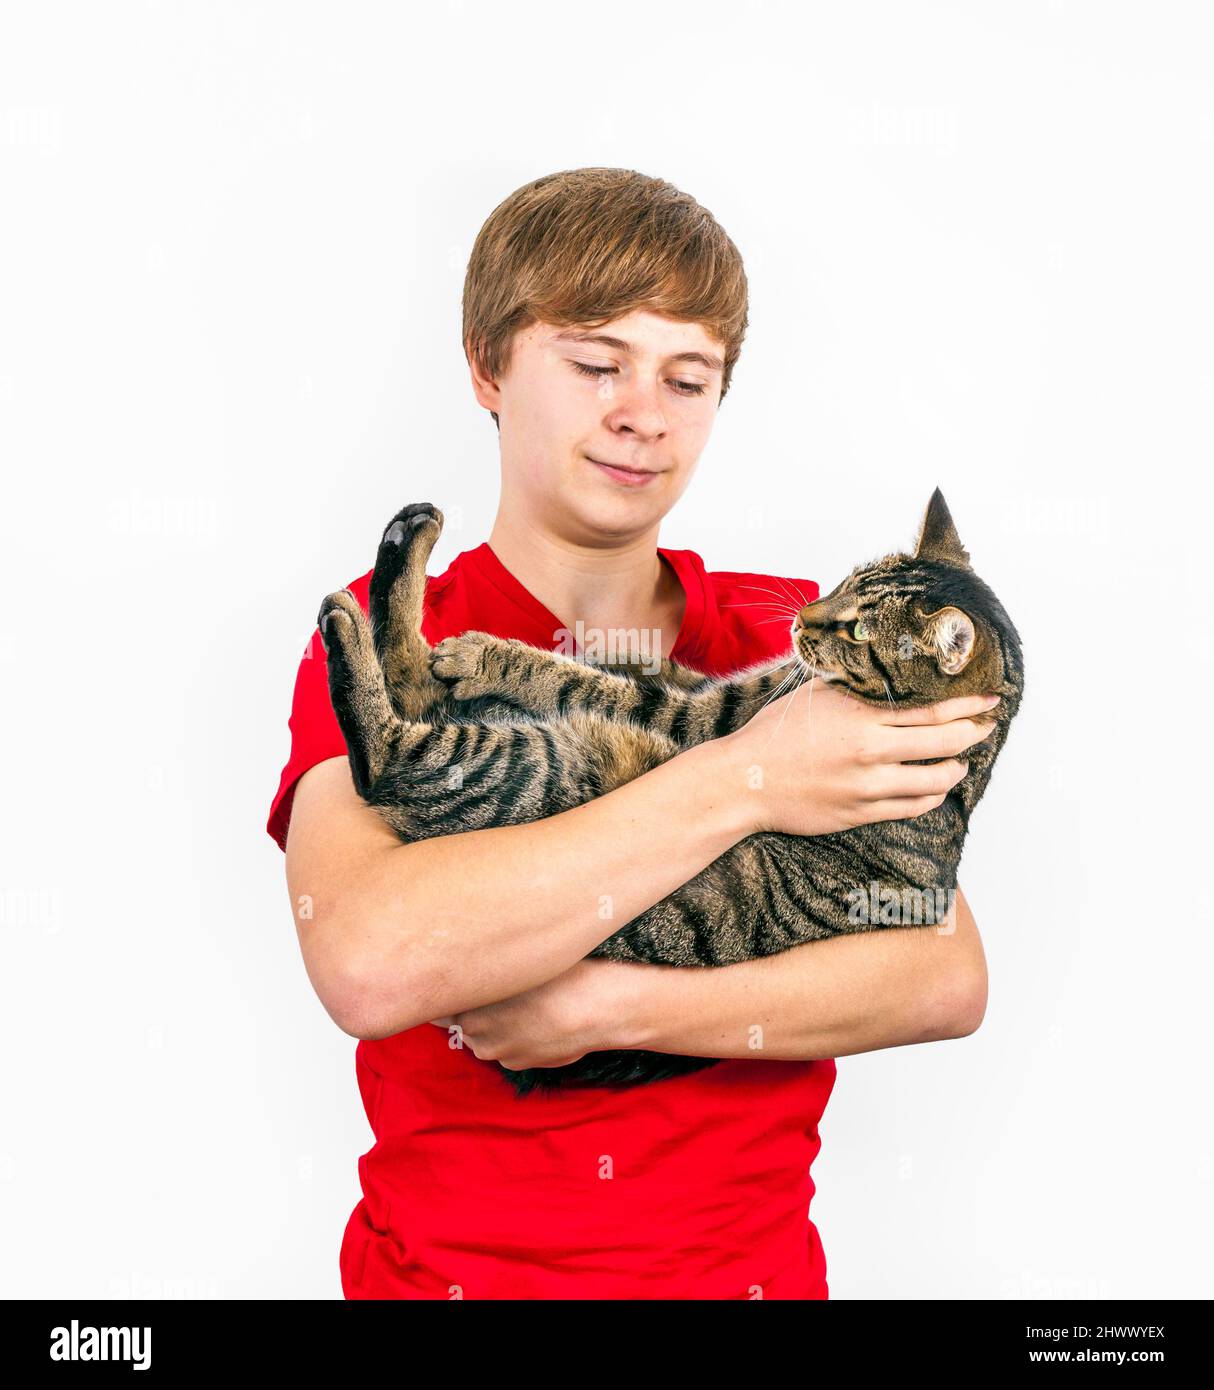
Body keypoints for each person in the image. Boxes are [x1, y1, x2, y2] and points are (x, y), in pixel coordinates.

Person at [267, 167, 999, 1300]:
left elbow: (938, 967)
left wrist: (613, 1008)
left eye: (687, 377)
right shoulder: (397, 633)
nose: (642, 413)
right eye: (597, 362)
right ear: (486, 366)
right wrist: (751, 781)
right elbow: (370, 959)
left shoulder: (798, 638)